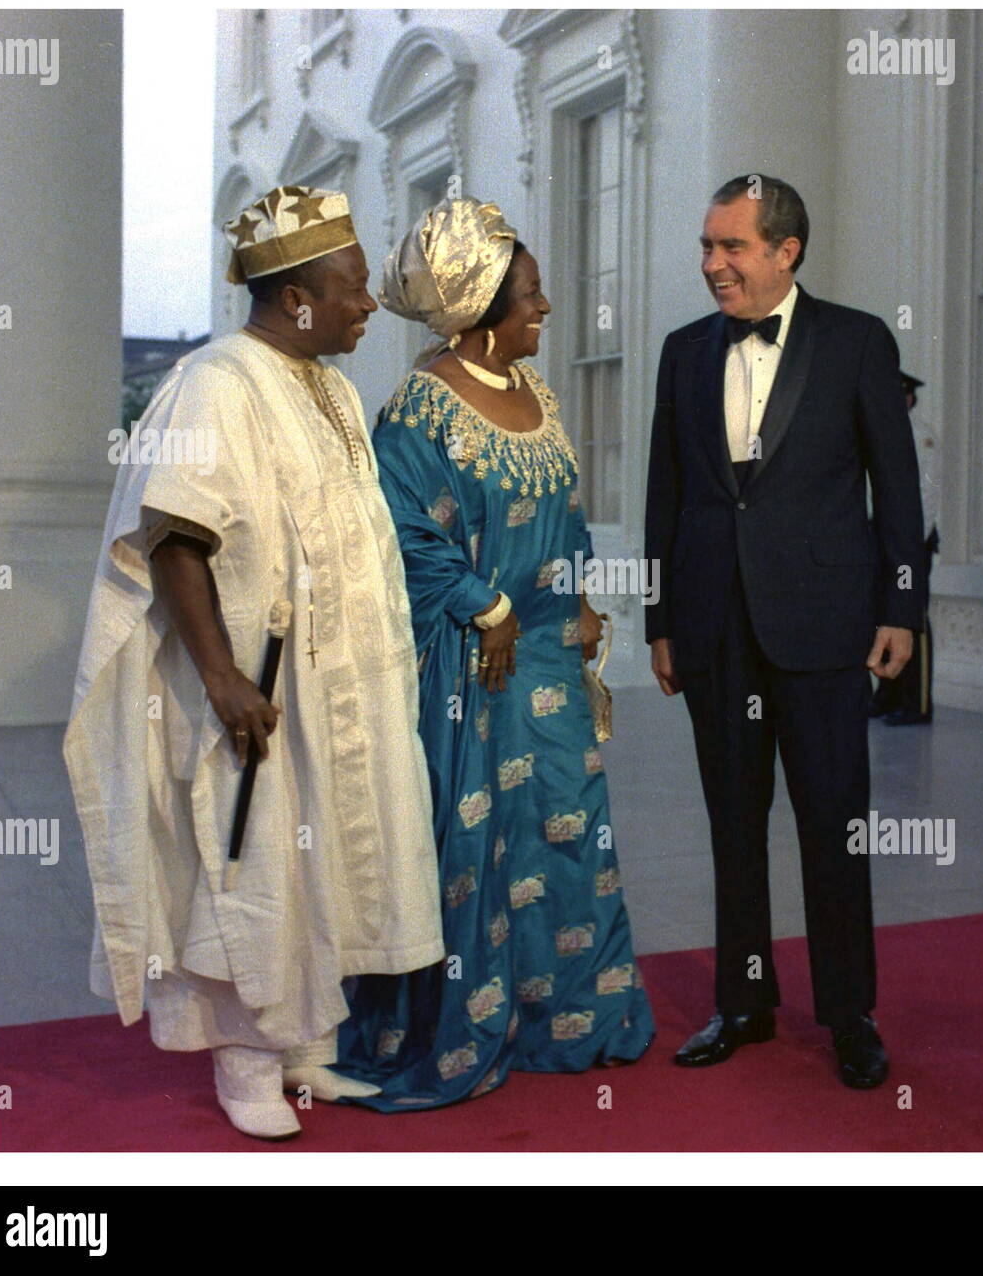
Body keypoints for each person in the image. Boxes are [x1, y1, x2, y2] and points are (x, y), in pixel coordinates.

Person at [64, 186, 444, 1140]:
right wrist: (226, 675)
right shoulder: (217, 381)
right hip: (262, 682)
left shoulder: (333, 387)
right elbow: (176, 535)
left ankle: (308, 1047)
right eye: (352, 288)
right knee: (258, 860)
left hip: (343, 683)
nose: (368, 306)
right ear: (297, 295)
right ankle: (243, 1062)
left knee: (328, 860)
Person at [335, 197, 655, 1108]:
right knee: (473, 842)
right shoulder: (415, 409)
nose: (545, 309)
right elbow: (400, 535)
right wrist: (487, 604)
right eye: (531, 296)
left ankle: (577, 1017)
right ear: (480, 306)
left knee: (567, 829)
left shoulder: (538, 398)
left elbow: (567, 517)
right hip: (473, 668)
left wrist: (585, 602)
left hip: (550, 660)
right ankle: (462, 1024)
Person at [644, 174, 925, 1090]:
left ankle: (849, 1013)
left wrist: (903, 607)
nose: (712, 263)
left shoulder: (855, 342)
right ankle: (744, 1000)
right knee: (734, 823)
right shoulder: (683, 352)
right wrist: (660, 618)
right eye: (706, 246)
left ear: (785, 251)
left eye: (731, 247)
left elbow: (898, 487)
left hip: (824, 626)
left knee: (834, 826)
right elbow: (665, 496)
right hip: (713, 627)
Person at [870, 371, 939, 725]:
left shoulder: (920, 436)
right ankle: (887, 695)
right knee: (884, 616)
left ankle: (918, 703)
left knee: (911, 618)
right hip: (883, 540)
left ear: (909, 399)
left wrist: (912, 542)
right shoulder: (881, 431)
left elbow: (925, 496)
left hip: (913, 542)